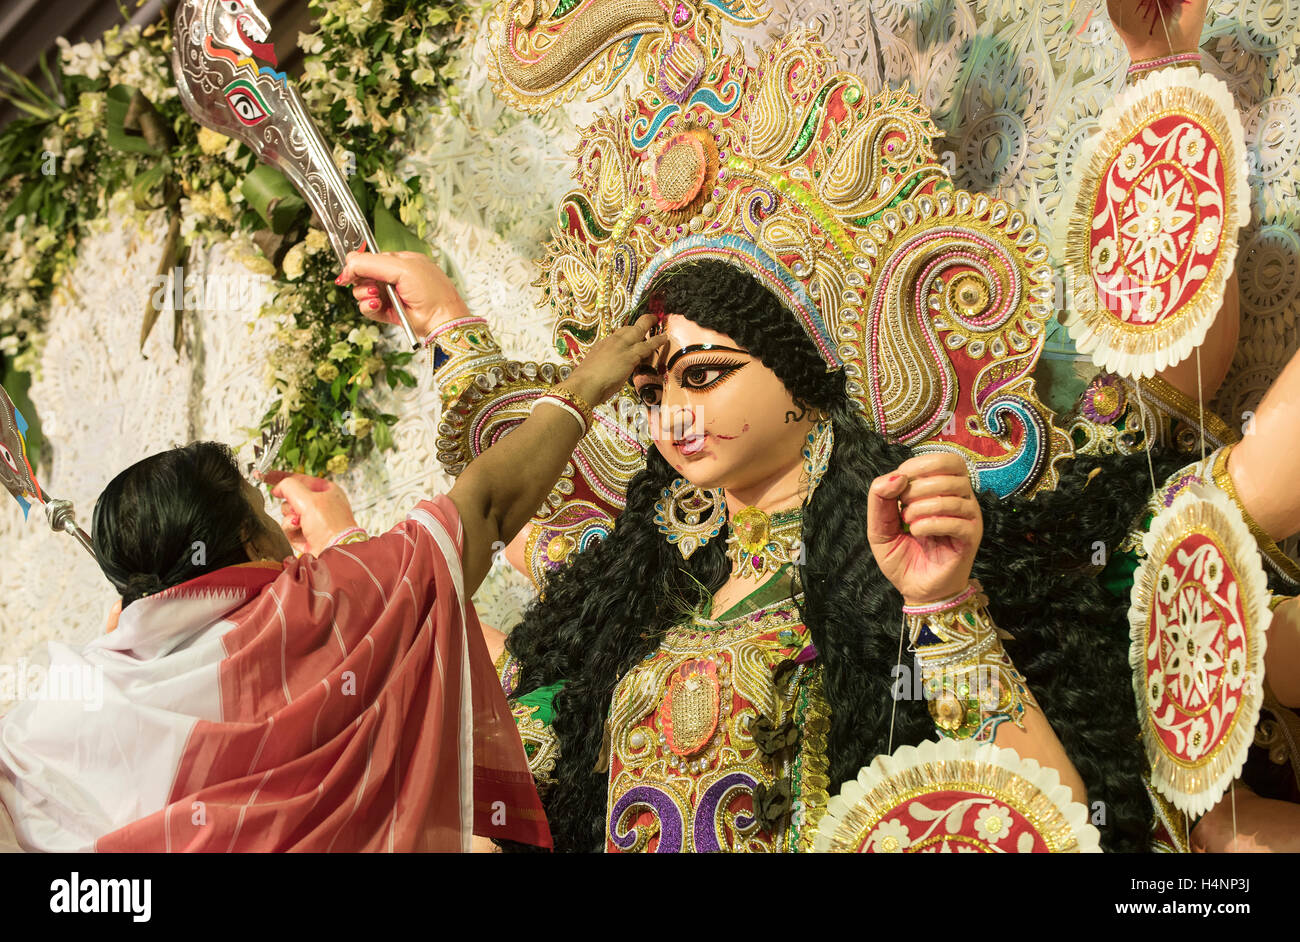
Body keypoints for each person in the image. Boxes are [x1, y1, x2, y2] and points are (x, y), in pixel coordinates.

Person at [0, 287, 667, 852]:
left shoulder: (77, 694)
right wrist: (585, 384)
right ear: (246, 538)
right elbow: (483, 508)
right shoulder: (316, 608)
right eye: (262, 512)